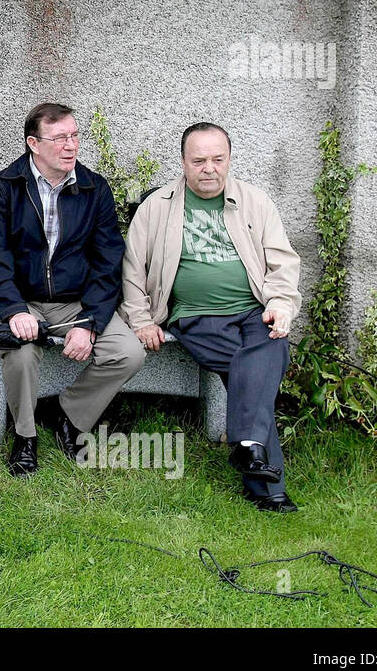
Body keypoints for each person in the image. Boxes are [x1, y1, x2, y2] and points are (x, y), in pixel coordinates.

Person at [120, 122, 302, 512]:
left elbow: (282, 263)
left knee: (267, 345)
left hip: (255, 310)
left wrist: (281, 304)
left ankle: (251, 452)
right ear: (183, 162)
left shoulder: (256, 202)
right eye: (199, 160)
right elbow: (132, 271)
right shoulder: (157, 207)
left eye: (218, 159)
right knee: (258, 368)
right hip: (195, 316)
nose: (209, 168)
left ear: (229, 159)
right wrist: (141, 320)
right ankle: (266, 485)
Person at [0, 102, 145, 475]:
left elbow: (107, 260)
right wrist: (15, 309)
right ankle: (25, 437)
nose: (71, 146)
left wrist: (91, 321)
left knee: (128, 352)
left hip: (75, 303)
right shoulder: (5, 188)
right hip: (23, 301)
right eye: (60, 137)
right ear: (34, 143)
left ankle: (70, 415)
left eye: (75, 135)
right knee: (20, 354)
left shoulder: (94, 189)